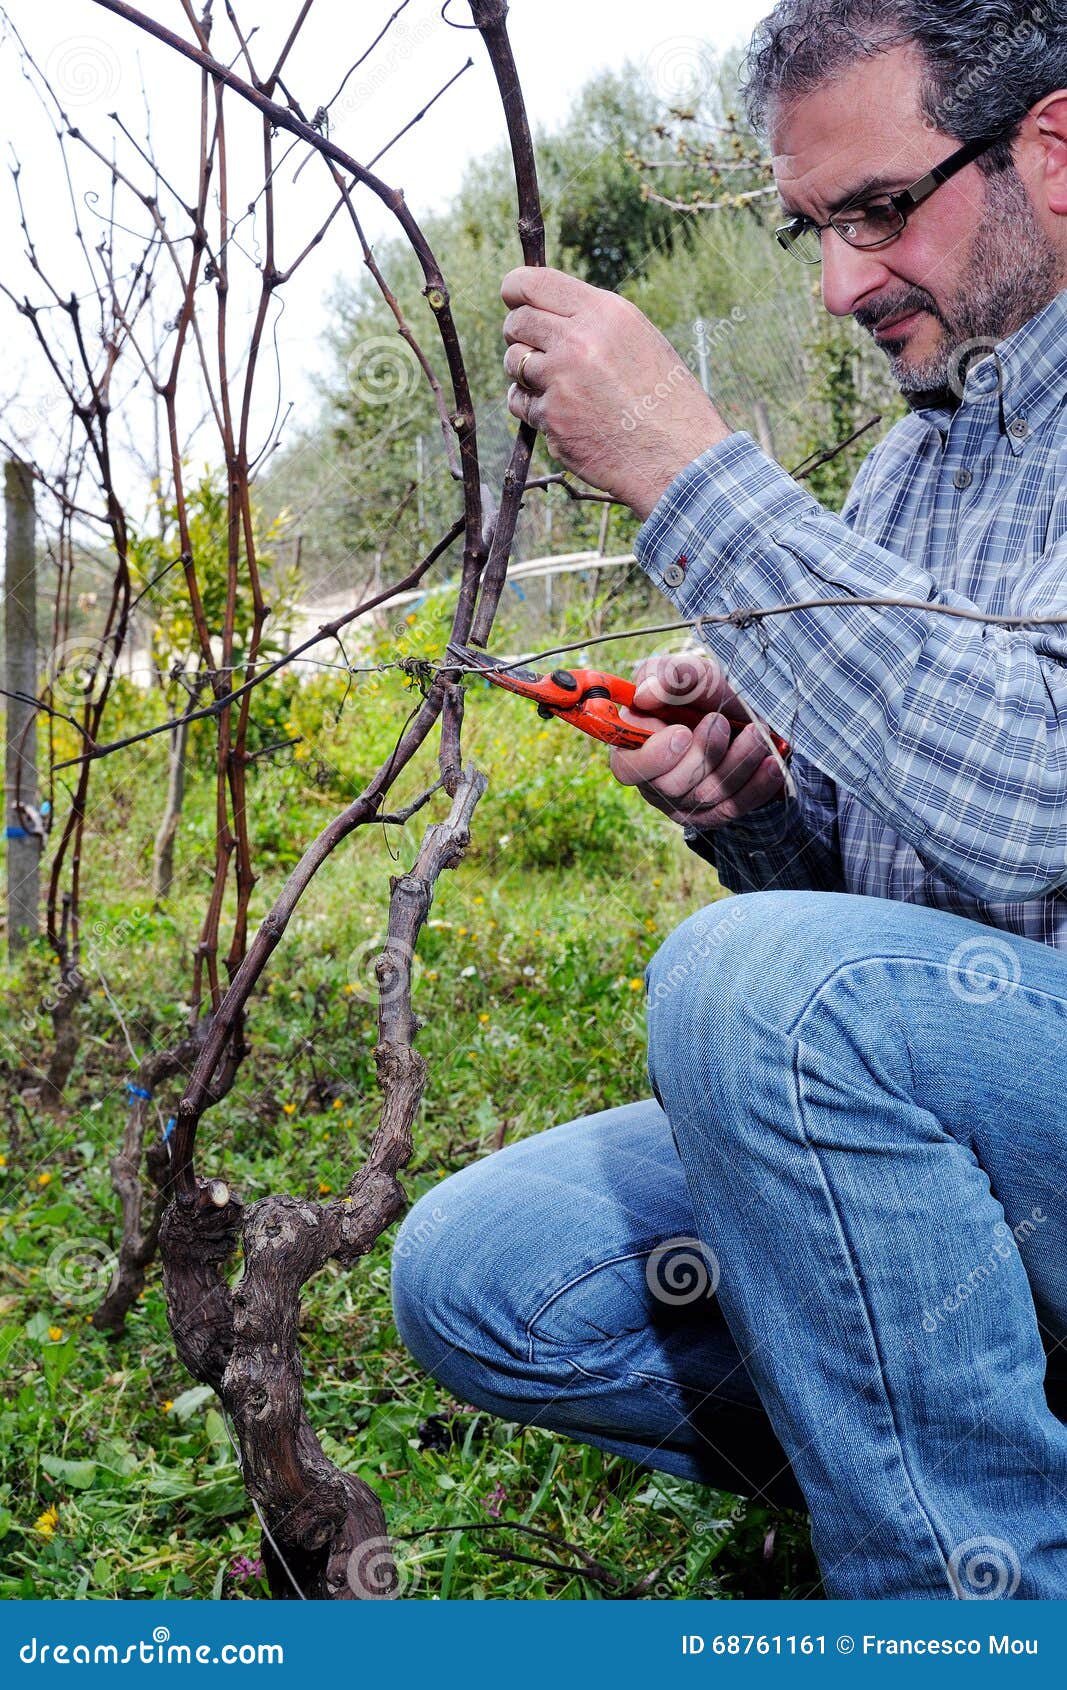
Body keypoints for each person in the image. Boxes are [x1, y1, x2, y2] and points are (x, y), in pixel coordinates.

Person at [390, 0, 1067, 1599]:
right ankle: (977, 1449)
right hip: (1006, 1135)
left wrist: (691, 473)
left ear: (1054, 142)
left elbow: (1041, 803)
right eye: (816, 230)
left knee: (755, 987)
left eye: (883, 209)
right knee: (483, 1273)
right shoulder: (920, 464)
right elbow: (896, 928)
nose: (841, 283)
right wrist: (749, 806)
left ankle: (968, 1607)